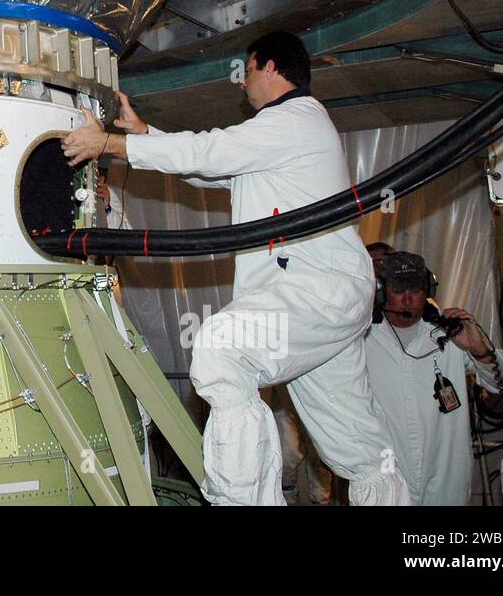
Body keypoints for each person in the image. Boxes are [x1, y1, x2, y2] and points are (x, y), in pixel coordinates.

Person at [62, 31, 410, 506]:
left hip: (318, 290)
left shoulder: (294, 120)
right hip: (329, 301)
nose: (242, 85)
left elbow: (212, 150)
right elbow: (212, 168)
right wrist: (143, 135)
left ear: (270, 68)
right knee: (360, 447)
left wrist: (111, 144)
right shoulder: (287, 137)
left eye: (247, 72)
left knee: (222, 351)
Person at [364, 249, 503, 505]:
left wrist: (480, 350)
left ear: (428, 290)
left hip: (447, 481)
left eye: (415, 289)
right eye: (398, 289)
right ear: (381, 291)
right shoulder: (363, 339)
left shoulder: (450, 336)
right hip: (389, 479)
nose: (407, 299)